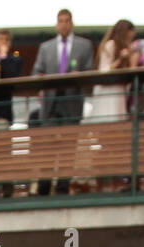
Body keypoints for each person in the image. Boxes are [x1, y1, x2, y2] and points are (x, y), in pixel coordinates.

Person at [32, 10, 94, 194]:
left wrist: (79, 76)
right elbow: (36, 72)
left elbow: (90, 72)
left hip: (71, 103)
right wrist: (41, 79)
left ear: (72, 23)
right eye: (61, 21)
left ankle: (62, 186)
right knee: (47, 146)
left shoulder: (84, 45)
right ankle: (44, 185)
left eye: (67, 21)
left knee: (69, 146)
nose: (64, 24)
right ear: (57, 24)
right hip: (50, 103)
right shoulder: (46, 47)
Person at [92, 20, 136, 123]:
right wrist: (120, 60)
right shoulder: (110, 45)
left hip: (120, 90)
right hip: (108, 90)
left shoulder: (129, 48)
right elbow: (104, 70)